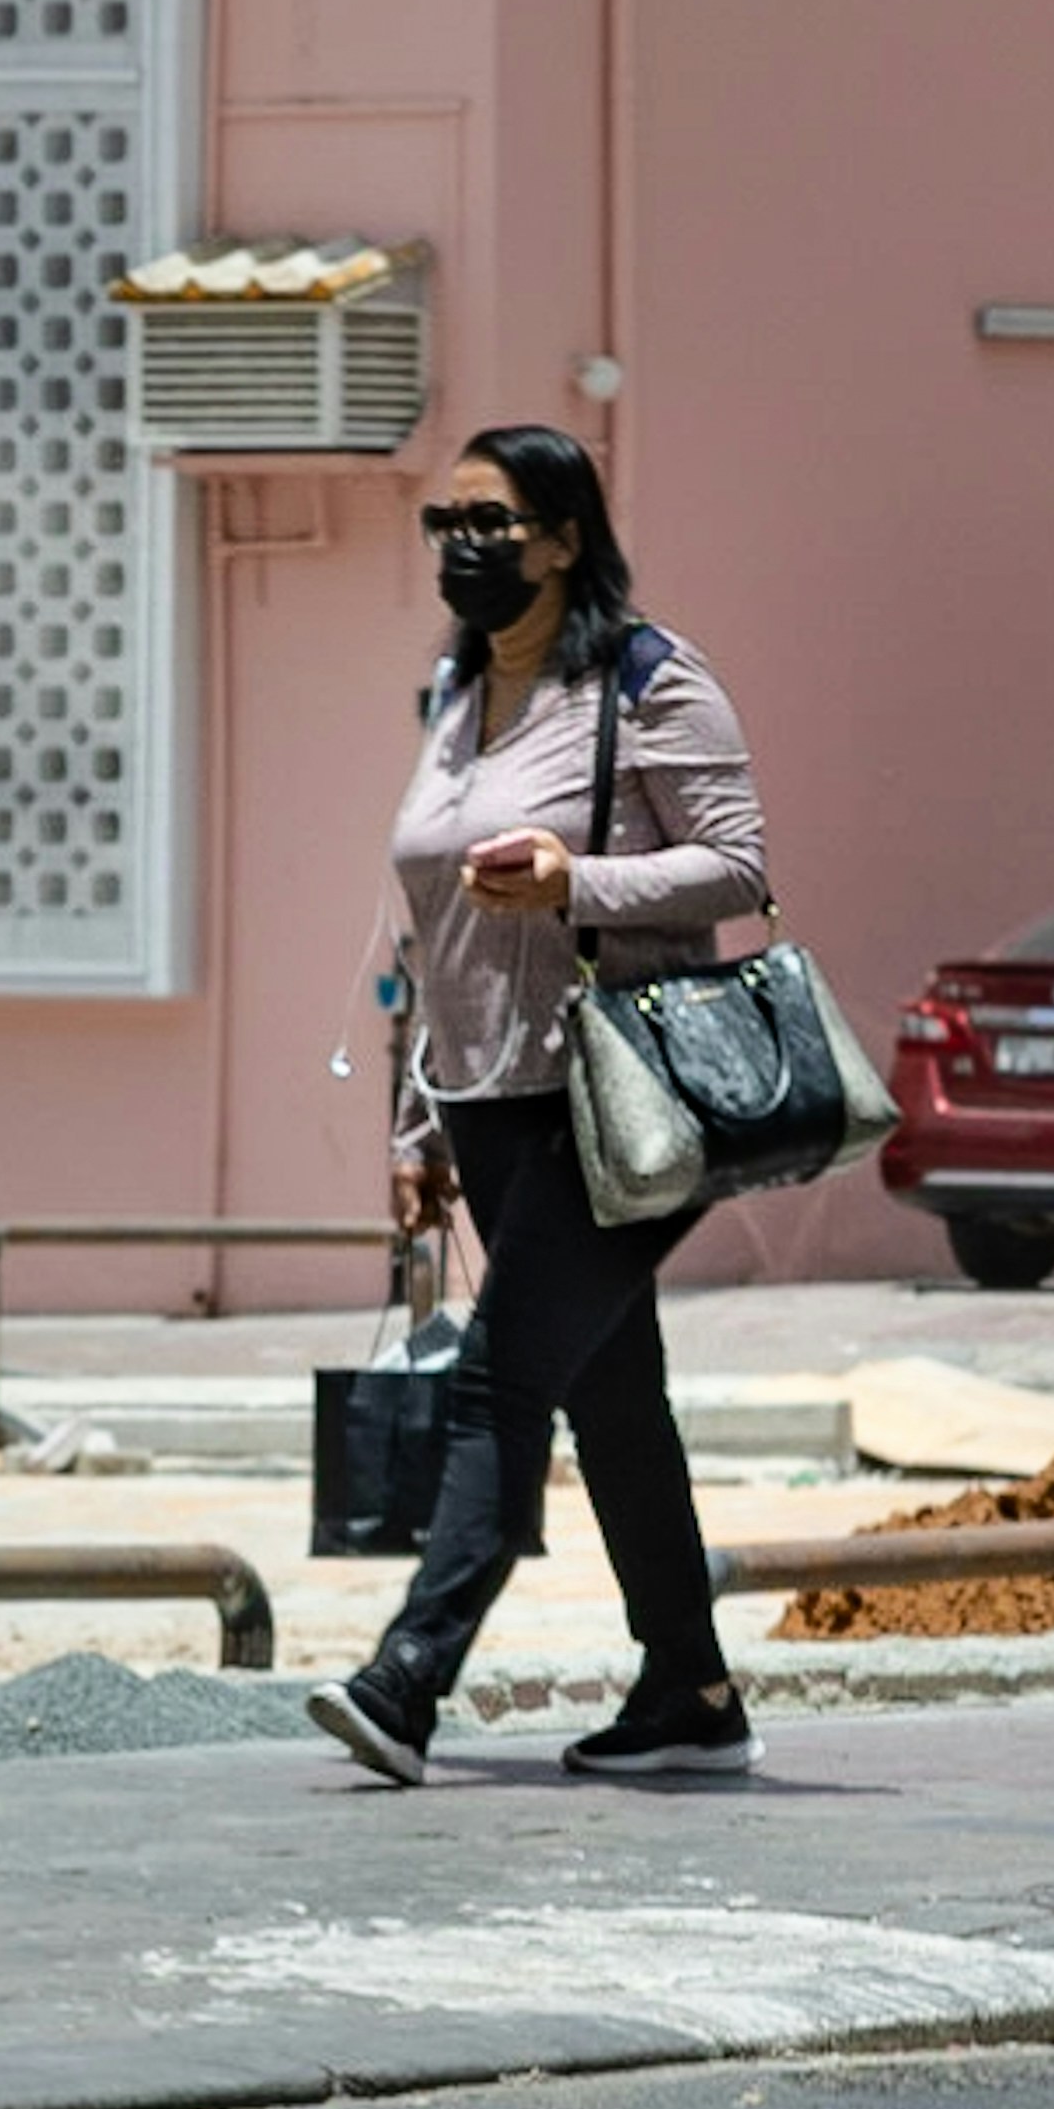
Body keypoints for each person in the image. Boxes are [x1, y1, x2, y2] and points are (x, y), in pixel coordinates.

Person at [310, 425, 777, 1787]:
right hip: (483, 1101)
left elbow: (739, 868)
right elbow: (429, 935)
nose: (465, 546)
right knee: (613, 1398)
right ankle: (691, 1693)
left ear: (566, 539)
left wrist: (581, 880)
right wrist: (414, 1123)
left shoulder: (651, 682)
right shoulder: (453, 697)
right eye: (444, 522)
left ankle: (410, 1680)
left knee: (502, 1379)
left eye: (494, 522)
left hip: (621, 1097)